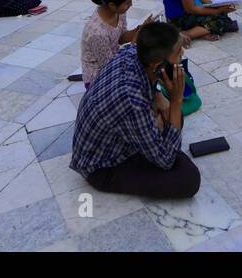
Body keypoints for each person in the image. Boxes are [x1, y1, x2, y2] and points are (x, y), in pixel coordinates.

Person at [69, 21, 200, 199]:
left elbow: (149, 83)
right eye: (178, 54)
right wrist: (176, 100)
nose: (182, 56)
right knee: (188, 179)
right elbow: (166, 160)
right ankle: (157, 142)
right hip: (101, 166)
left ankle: (157, 139)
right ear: (158, 65)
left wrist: (158, 95)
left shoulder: (130, 53)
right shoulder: (132, 101)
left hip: (116, 137)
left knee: (172, 116)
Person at [81, 0, 149, 88]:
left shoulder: (118, 12)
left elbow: (121, 38)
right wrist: (135, 42)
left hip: (114, 61)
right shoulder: (97, 33)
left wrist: (141, 29)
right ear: (112, 5)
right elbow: (110, 68)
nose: (131, 5)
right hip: (99, 78)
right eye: (128, 2)